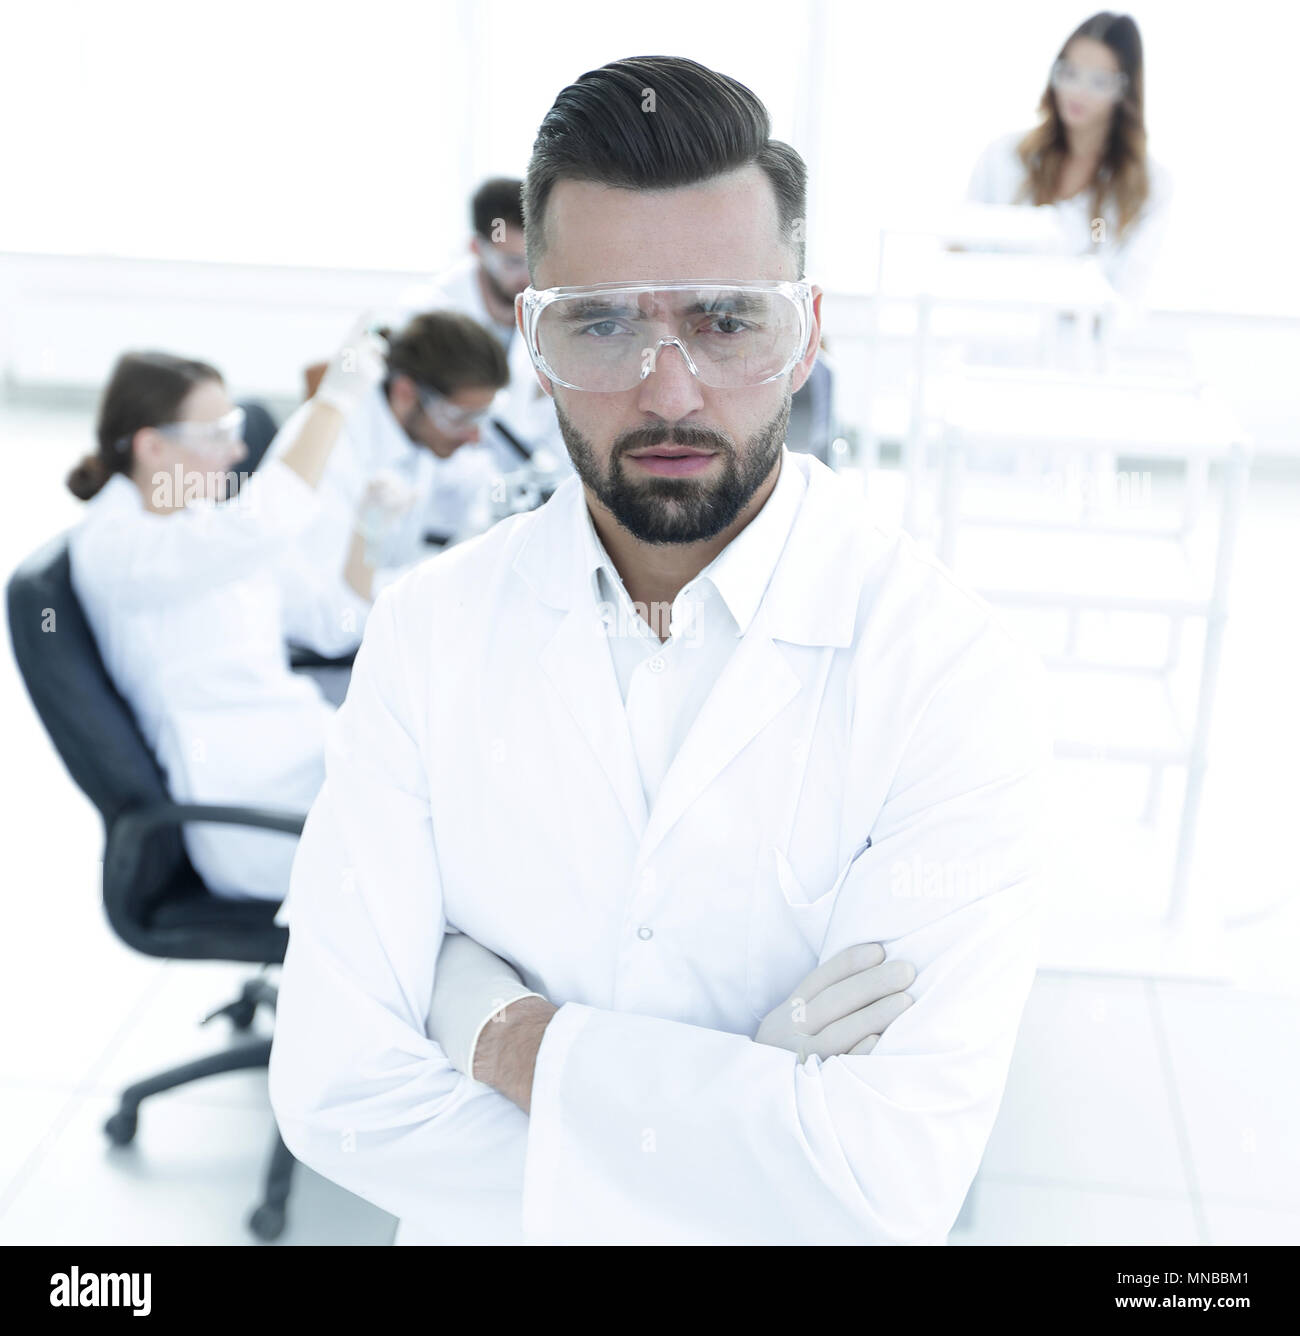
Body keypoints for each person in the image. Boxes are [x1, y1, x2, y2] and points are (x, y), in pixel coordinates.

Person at [269, 55, 1051, 1245]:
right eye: (602, 323)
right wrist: (746, 1101)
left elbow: (880, 1185)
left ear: (804, 337)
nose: (669, 390)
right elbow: (335, 1094)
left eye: (726, 319)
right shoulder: (431, 630)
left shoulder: (948, 671)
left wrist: (499, 1031)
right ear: (532, 337)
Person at [67, 325, 388, 902]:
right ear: (152, 446)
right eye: (217, 434)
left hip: (311, 759)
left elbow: (332, 621)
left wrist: (372, 525)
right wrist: (331, 403)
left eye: (234, 429)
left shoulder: (201, 523)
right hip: (252, 815)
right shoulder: (119, 549)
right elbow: (268, 517)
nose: (237, 451)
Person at [265, 311, 509, 616]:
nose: (474, 437)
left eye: (480, 418)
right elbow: (327, 616)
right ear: (406, 392)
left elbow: (476, 490)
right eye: (460, 418)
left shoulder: (419, 432)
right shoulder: (337, 451)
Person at [966, 11, 1173, 305]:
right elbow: (962, 251)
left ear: (1124, 91)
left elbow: (1123, 293)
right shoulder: (1004, 157)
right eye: (1070, 74)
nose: (1078, 92)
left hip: (1074, 345)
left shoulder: (1147, 186)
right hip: (992, 337)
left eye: (1099, 81)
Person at [391, 177, 571, 478]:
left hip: (524, 484)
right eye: (512, 262)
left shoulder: (552, 311)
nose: (526, 276)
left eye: (533, 260)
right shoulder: (429, 315)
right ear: (476, 248)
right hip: (439, 490)